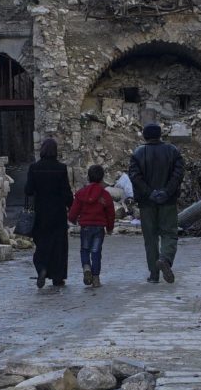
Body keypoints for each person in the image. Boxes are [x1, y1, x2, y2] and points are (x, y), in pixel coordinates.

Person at [128, 122, 184, 283]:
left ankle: (154, 275)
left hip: (147, 203)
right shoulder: (172, 151)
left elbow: (135, 176)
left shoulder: (138, 153)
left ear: (145, 136)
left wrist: (149, 193)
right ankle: (165, 259)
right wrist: (167, 192)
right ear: (160, 135)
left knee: (150, 239)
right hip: (168, 201)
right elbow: (178, 174)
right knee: (169, 233)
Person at [24, 137, 72, 288]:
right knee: (59, 245)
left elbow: (28, 190)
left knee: (42, 243)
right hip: (58, 213)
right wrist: (73, 207)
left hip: (40, 212)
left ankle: (42, 268)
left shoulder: (34, 168)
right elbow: (66, 193)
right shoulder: (61, 168)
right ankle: (58, 277)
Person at [68, 164, 116, 287]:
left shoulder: (81, 194)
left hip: (86, 227)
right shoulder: (105, 195)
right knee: (96, 252)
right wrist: (110, 227)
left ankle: (86, 267)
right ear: (102, 178)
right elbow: (110, 213)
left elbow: (74, 210)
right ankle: (95, 278)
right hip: (99, 228)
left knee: (84, 249)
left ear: (88, 177)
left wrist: (72, 219)